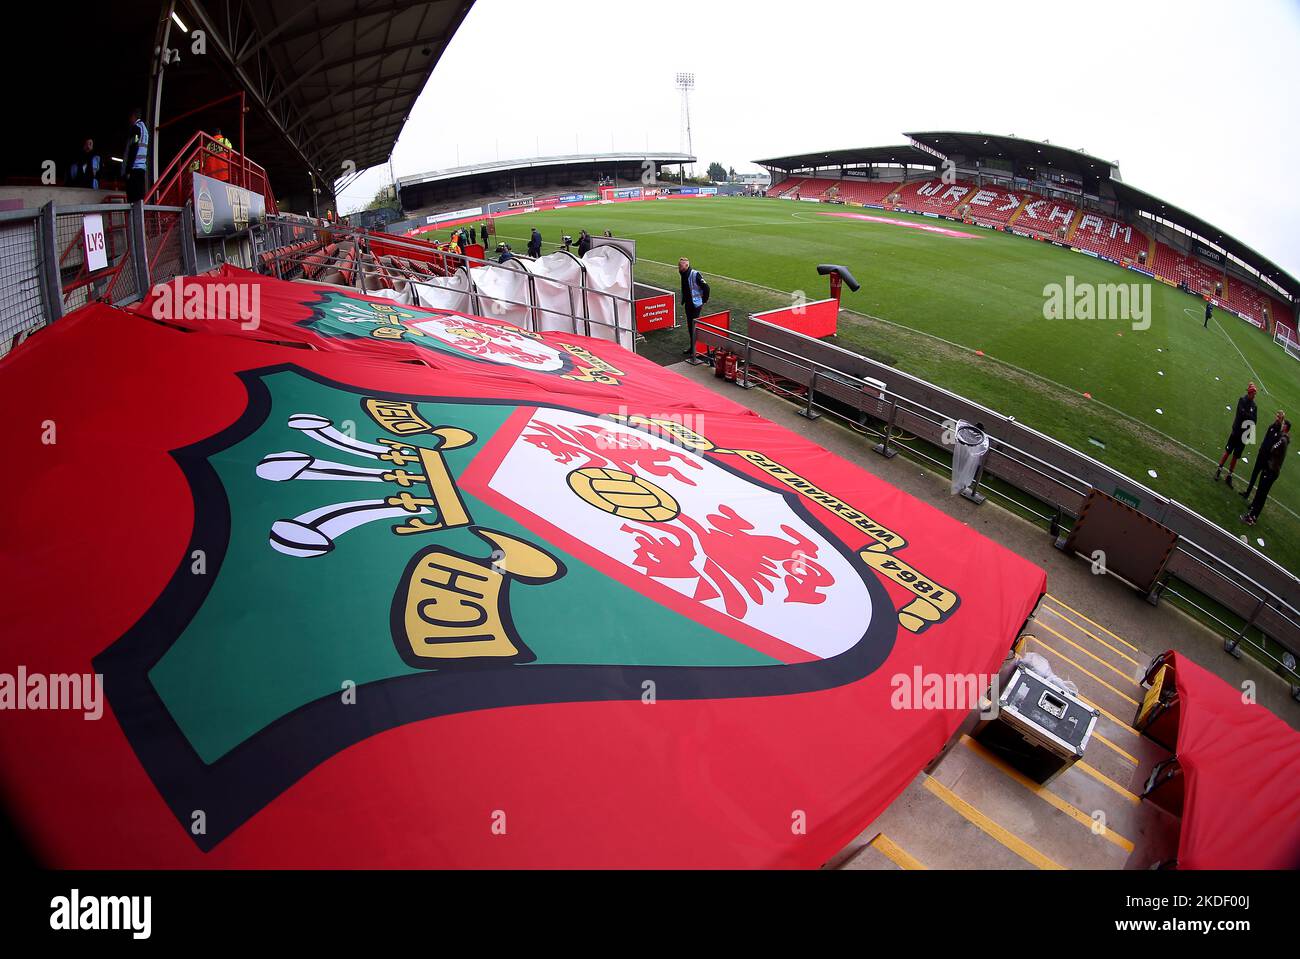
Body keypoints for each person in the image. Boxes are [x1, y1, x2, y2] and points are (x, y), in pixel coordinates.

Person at [1241, 420, 1290, 526]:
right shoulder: (1284, 439)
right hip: (1273, 470)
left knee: (1261, 493)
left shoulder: (1282, 440)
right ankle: (1253, 515)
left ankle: (1252, 517)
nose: (1281, 426)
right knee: (1262, 493)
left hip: (1271, 470)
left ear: (1285, 427)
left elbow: (1272, 449)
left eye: (1283, 425)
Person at [1215, 382, 1258, 488]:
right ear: (1250, 393)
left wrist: (1248, 417)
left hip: (1244, 435)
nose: (1254, 396)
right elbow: (1242, 414)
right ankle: (1219, 469)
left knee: (1236, 456)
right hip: (1237, 431)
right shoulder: (1242, 400)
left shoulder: (1254, 406)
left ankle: (1229, 475)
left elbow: (1254, 421)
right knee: (1228, 451)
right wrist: (1249, 417)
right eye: (1253, 394)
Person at [1242, 409, 1286, 498]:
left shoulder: (1280, 433)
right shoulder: (1272, 426)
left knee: (1262, 479)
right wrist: (1261, 448)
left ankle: (1255, 498)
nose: (1277, 418)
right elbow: (1266, 439)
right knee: (1254, 474)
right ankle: (1247, 492)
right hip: (1262, 454)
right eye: (1277, 416)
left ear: (1282, 419)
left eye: (1279, 417)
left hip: (1267, 458)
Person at [678, 256, 709, 356]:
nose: (679, 267)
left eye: (680, 265)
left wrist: (704, 300)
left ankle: (696, 349)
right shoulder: (683, 273)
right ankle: (693, 348)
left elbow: (706, 287)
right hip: (688, 303)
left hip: (695, 304)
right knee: (690, 326)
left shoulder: (695, 274)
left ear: (687, 265)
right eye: (679, 265)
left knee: (694, 327)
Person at [123, 107, 150, 203]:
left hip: (134, 169)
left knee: (132, 200)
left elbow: (133, 148)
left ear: (134, 116)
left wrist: (128, 170)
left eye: (130, 117)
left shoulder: (136, 128)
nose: (129, 120)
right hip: (141, 168)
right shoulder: (144, 129)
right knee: (139, 199)